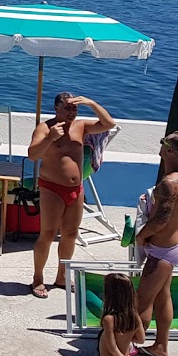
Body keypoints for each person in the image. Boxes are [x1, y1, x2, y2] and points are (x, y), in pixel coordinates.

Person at [26, 92, 116, 297]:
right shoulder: (45, 128)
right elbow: (32, 155)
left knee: (70, 235)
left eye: (74, 107)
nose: (72, 111)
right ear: (57, 108)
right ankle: (37, 279)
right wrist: (50, 138)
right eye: (67, 107)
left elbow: (109, 123)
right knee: (47, 234)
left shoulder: (82, 126)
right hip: (52, 188)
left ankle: (61, 277)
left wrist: (91, 102)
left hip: (76, 189)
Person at [134, 131, 178, 356]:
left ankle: (126, 346)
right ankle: (160, 347)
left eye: (163, 142)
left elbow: (159, 220)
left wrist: (141, 236)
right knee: (162, 296)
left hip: (160, 251)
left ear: (170, 151)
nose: (160, 146)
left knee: (142, 300)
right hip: (174, 246)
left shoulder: (168, 183)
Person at [98, 272, 143, 356]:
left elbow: (112, 347)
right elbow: (141, 339)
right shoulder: (135, 317)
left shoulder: (109, 319)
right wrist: (125, 338)